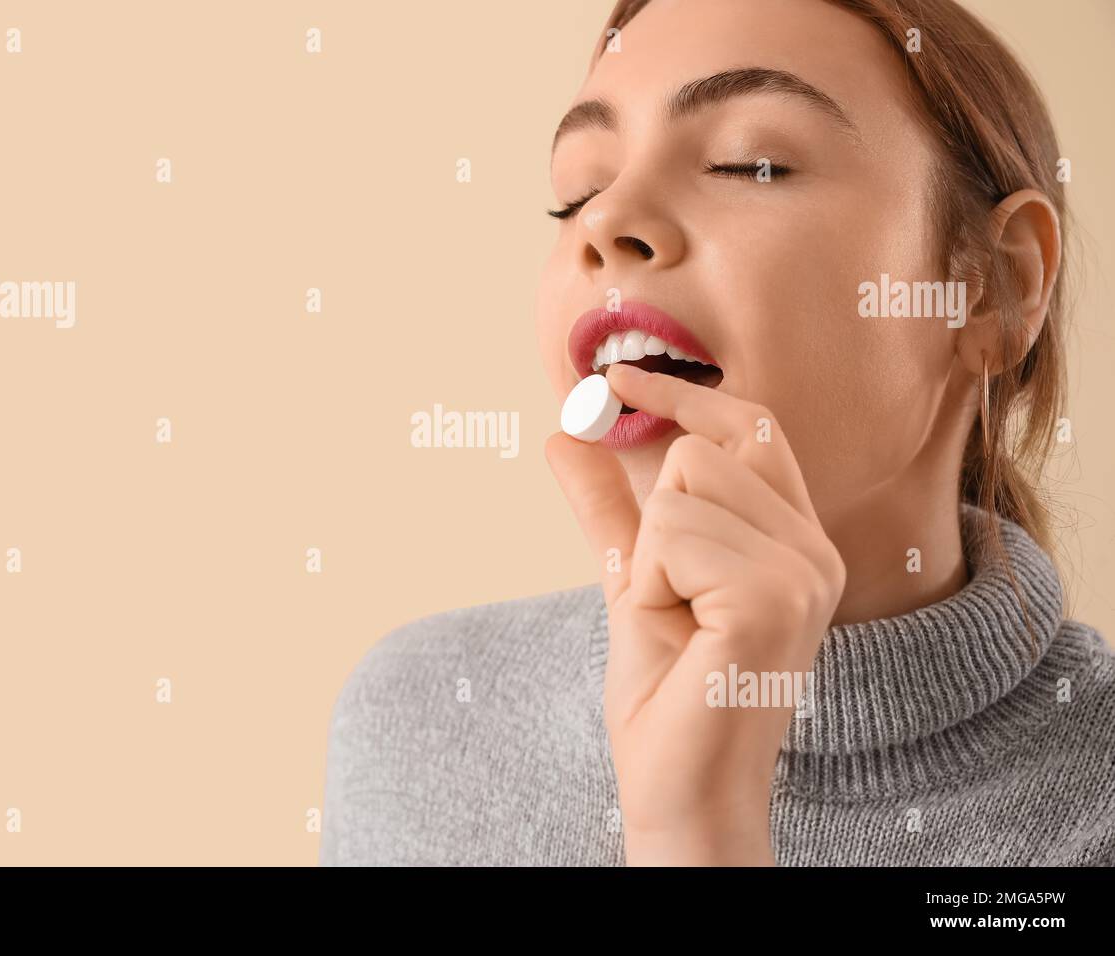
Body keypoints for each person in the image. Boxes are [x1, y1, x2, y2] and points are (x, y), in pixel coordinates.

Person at [319, 0, 1114, 866]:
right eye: (578, 190)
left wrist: (696, 831)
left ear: (993, 287)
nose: (603, 220)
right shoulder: (418, 718)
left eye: (750, 164)